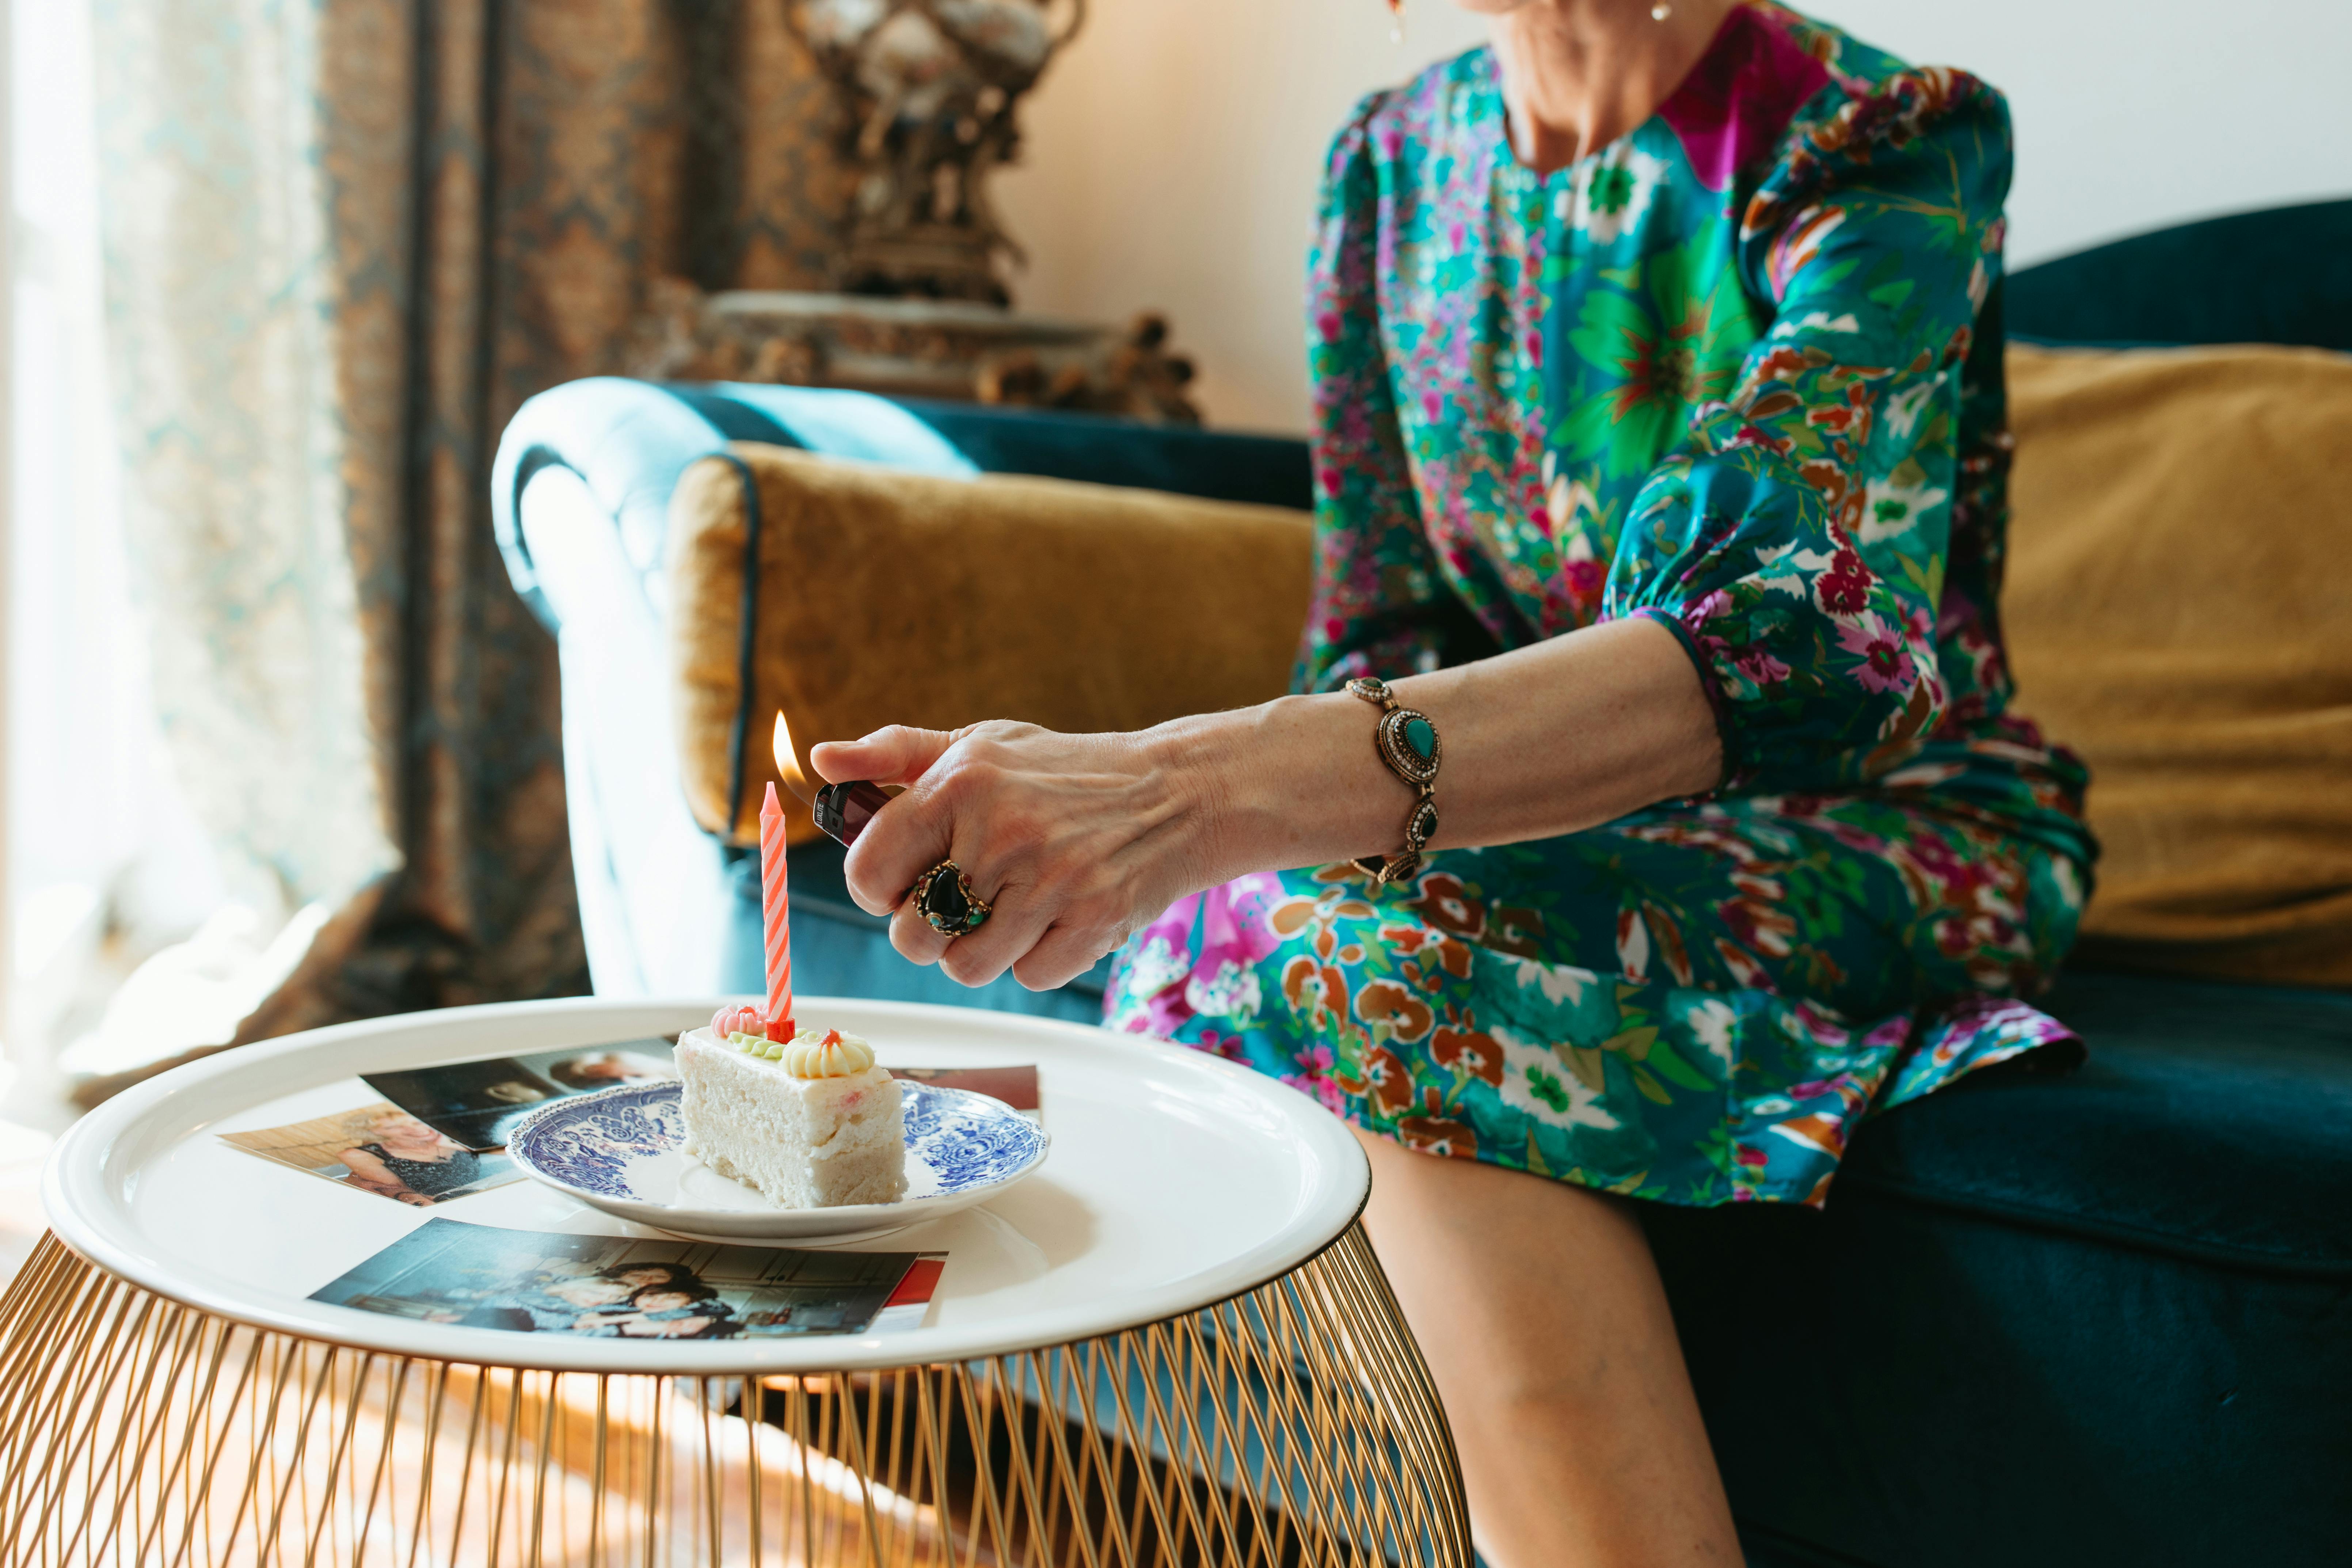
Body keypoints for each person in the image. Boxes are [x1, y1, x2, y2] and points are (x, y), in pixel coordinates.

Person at [807, 1, 2093, 1561]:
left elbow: (1779, 637)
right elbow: (1376, 638)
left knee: (1323, 937)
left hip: (1879, 827)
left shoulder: (1880, 137)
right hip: (1520, 830)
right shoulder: (1387, 169)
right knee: (1271, 909)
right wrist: (1147, 808)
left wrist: (1172, 790)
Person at [338, 1110, 484, 1206]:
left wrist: (454, 1145)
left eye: (415, 1122)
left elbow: (504, 1149)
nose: (414, 1129)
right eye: (393, 1127)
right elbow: (396, 1190)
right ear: (373, 1132)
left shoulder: (448, 1134)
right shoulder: (359, 1155)